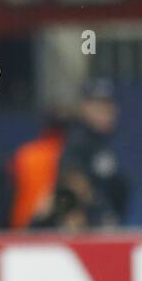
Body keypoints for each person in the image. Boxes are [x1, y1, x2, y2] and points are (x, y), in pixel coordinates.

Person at [57, 81, 128, 227]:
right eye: (98, 107)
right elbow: (72, 179)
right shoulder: (78, 139)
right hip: (82, 222)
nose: (105, 112)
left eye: (108, 106)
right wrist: (93, 211)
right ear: (84, 108)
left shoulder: (107, 142)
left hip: (104, 219)